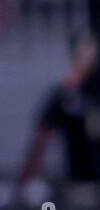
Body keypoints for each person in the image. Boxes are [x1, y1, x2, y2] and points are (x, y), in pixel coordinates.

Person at [18, 31, 100, 185]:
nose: (86, 59)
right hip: (81, 184)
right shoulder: (64, 95)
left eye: (91, 53)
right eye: (81, 53)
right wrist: (24, 184)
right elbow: (40, 139)